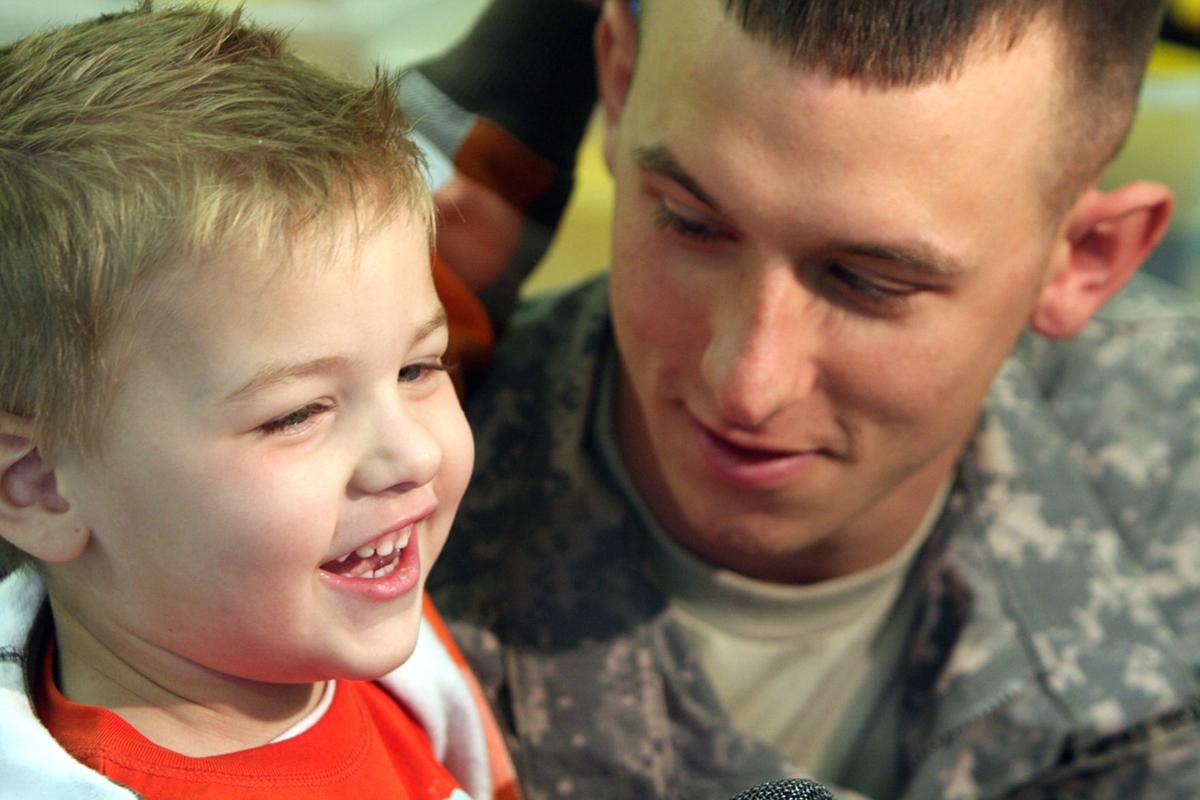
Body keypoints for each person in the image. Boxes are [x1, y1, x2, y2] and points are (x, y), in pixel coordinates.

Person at [402, 0, 1200, 797]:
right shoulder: (384, 521)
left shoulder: (1175, 472)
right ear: (619, 81)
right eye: (690, 222)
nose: (746, 384)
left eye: (871, 282)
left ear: (1086, 258)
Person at [0, 4, 517, 798]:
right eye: (296, 414)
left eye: (418, 368)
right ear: (38, 484)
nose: (411, 455)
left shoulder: (357, 609)